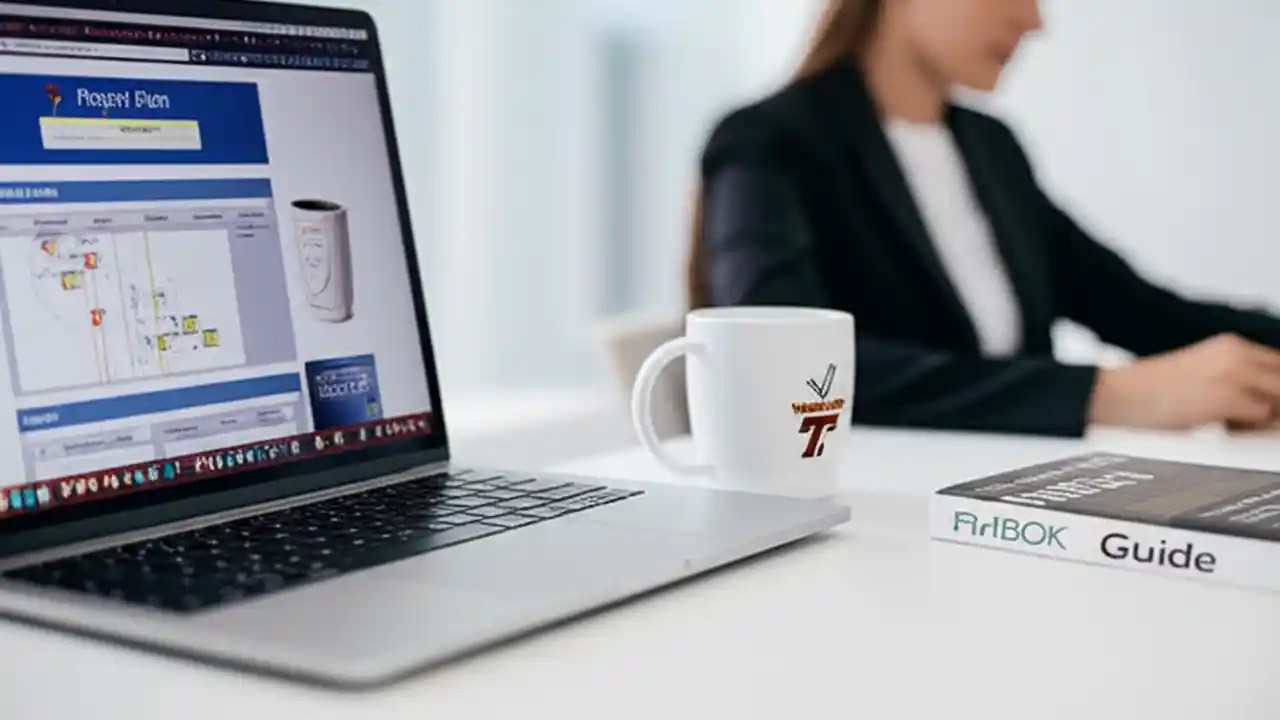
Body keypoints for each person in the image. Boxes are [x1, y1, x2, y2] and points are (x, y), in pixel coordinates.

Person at [690, 0, 1280, 437]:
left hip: (1020, 488)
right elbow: (776, 359)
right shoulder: (772, 141)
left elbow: (1138, 310)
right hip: (880, 514)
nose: (1035, 21)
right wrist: (1104, 394)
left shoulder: (990, 146)